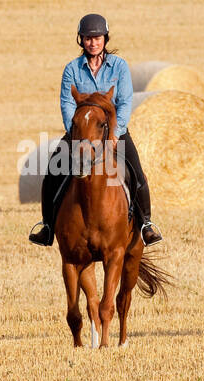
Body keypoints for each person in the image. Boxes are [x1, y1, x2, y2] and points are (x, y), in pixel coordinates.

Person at [28, 13, 162, 247]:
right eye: (88, 38)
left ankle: (145, 225)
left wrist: (114, 135)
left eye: (97, 38)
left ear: (105, 39)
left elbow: (125, 102)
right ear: (81, 40)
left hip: (113, 132)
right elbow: (67, 103)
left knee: (137, 173)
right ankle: (47, 226)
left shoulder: (119, 67)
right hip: (80, 132)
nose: (93, 42)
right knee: (51, 173)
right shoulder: (72, 69)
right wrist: (75, 133)